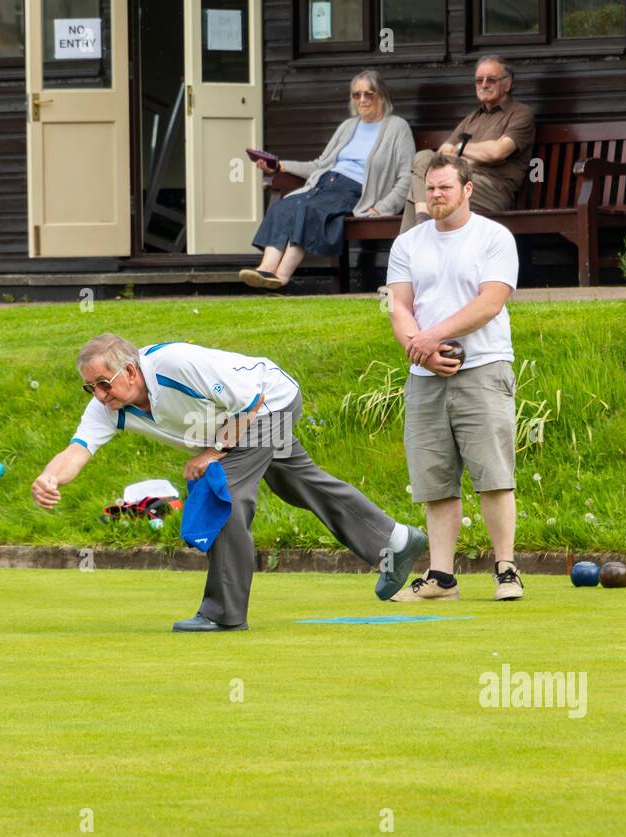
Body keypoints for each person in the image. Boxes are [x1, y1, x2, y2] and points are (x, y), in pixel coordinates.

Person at [31, 335, 429, 631]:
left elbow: (249, 399)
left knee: (223, 492)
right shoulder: (109, 406)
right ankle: (394, 540)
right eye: (91, 388)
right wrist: (50, 477)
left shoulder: (175, 363)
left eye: (103, 383)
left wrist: (213, 453)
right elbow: (78, 450)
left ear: (131, 371)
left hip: (269, 403)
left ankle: (222, 614)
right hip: (238, 421)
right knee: (298, 484)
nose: (99, 395)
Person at [386, 153, 524, 602]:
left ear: (467, 189)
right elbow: (400, 307)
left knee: (493, 474)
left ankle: (506, 570)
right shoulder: (408, 243)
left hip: (483, 367)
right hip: (424, 375)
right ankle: (441, 578)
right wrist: (419, 351)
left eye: (445, 188)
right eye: (430, 188)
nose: (436, 196)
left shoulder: (494, 238)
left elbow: (490, 303)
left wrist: (431, 337)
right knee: (435, 479)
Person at [239, 70, 414, 290]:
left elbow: (406, 176)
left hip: (354, 192)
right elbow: (320, 164)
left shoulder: (397, 127)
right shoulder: (348, 126)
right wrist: (280, 166)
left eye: (368, 94)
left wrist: (383, 207)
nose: (362, 100)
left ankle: (281, 277)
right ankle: (265, 269)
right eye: (356, 95)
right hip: (323, 185)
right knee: (284, 207)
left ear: (382, 96)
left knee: (308, 211)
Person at [399, 56, 534, 232]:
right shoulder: (472, 118)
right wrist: (474, 155)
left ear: (507, 84)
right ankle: (422, 222)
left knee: (425, 192)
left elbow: (497, 152)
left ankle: (416, 239)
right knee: (424, 157)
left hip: (491, 189)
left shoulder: (520, 114)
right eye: (479, 80)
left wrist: (460, 151)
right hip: (458, 179)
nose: (484, 85)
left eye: (491, 80)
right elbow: (442, 153)